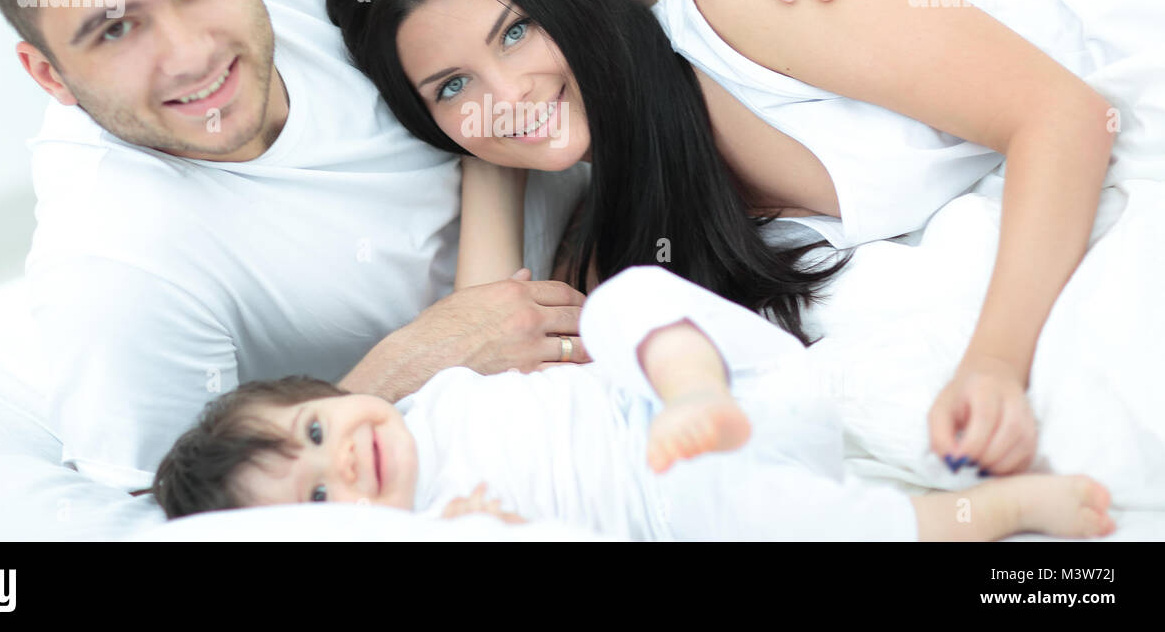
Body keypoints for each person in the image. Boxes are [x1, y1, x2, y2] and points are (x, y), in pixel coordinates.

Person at [0, 0, 872, 488]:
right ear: (48, 75)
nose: (192, 50)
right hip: (589, 339)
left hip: (658, 168)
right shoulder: (116, 274)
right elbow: (185, 509)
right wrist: (402, 369)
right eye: (115, 29)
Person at [322, 0, 1165, 480]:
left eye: (516, 30)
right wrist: (486, 152)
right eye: (453, 83)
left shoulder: (735, 2)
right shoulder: (613, 241)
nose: (510, 89)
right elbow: (495, 378)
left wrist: (993, 365)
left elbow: (1064, 114)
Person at [151, 266, 1116, 541]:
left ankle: (697, 394)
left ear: (331, 393)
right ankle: (991, 513)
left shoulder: (439, 395)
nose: (342, 460)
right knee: (730, 511)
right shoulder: (440, 523)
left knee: (623, 299)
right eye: (317, 502)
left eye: (316, 429)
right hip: (697, 506)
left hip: (729, 394)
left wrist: (679, 392)